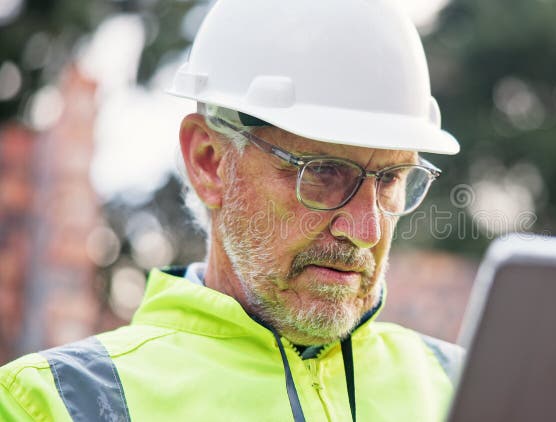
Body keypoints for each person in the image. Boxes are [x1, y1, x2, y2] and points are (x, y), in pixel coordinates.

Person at [0, 0, 463, 420]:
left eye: (390, 180)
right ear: (209, 161)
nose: (365, 229)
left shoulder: (464, 389)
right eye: (323, 173)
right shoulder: (49, 404)